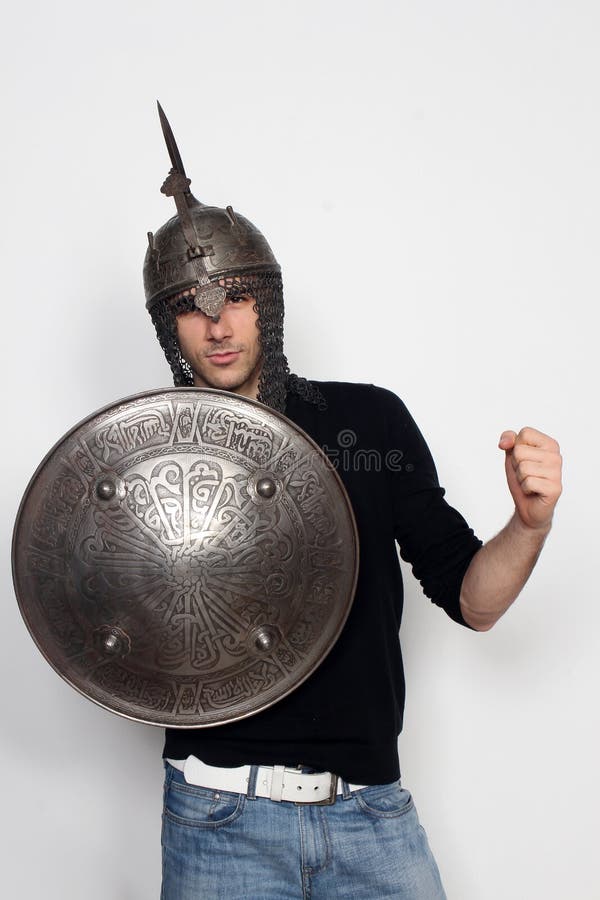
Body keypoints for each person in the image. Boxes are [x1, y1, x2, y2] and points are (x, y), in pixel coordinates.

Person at [144, 107, 562, 899]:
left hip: (369, 814)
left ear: (266, 300)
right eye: (189, 307)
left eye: (233, 295)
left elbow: (473, 600)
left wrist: (529, 525)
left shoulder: (367, 421)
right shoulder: (149, 461)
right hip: (215, 816)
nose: (216, 324)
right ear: (168, 326)